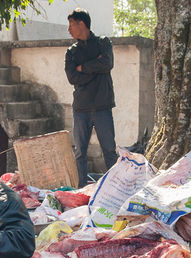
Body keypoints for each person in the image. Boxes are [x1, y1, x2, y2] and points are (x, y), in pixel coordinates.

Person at [65, 8, 117, 186]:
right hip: (81, 109)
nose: (68, 29)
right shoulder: (71, 52)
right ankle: (80, 188)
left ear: (81, 24)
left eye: (71, 25)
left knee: (109, 150)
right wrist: (96, 68)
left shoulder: (103, 43)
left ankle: (114, 187)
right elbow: (73, 78)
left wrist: (83, 68)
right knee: (80, 152)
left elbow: (107, 63)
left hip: (103, 106)